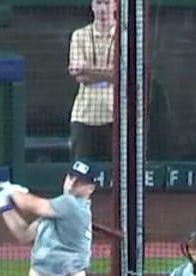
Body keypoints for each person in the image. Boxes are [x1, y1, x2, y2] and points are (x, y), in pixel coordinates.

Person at [67, 0, 117, 163]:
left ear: (115, 5)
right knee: (80, 173)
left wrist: (87, 69)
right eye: (99, 3)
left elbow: (122, 75)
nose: (103, 9)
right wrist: (109, 73)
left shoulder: (124, 38)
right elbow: (79, 75)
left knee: (115, 171)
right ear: (92, 6)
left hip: (114, 116)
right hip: (84, 116)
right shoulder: (79, 36)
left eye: (108, 3)